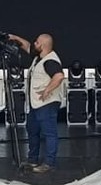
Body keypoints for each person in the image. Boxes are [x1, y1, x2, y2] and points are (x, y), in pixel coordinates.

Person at [6, 32, 65, 172]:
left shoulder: (50, 61)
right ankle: (32, 159)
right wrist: (15, 38)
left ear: (43, 46)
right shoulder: (39, 57)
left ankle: (49, 163)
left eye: (37, 42)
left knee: (49, 133)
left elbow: (59, 76)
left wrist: (47, 90)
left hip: (47, 104)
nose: (34, 44)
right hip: (36, 104)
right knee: (32, 130)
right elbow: (27, 46)